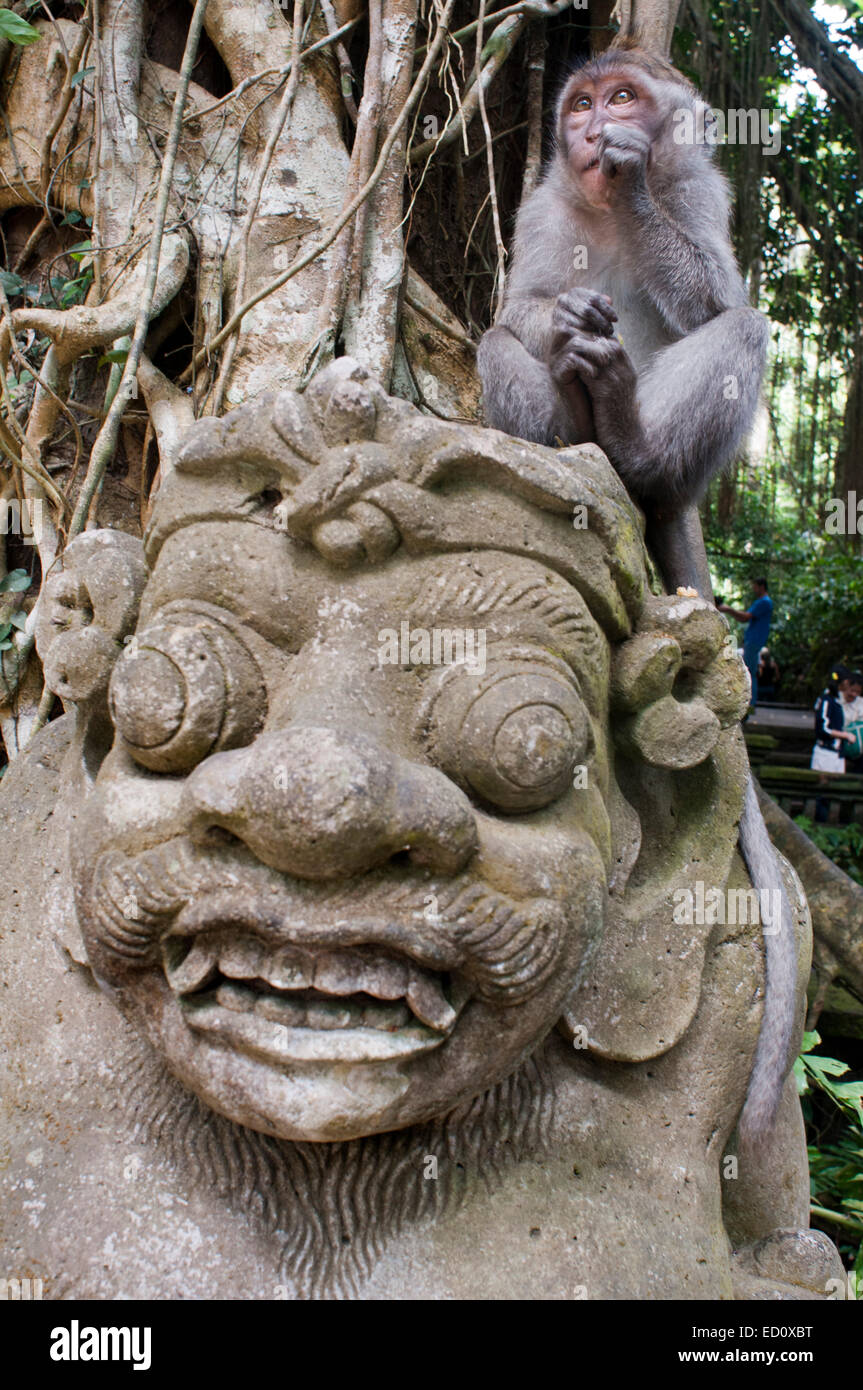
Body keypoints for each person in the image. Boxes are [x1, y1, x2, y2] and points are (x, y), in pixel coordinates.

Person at [811, 665, 856, 820]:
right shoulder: (826, 700)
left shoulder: (837, 701)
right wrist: (844, 735)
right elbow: (822, 728)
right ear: (842, 683)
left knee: (834, 793)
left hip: (837, 754)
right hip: (825, 753)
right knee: (822, 793)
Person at [719, 578, 773, 706]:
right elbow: (744, 619)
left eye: (754, 586)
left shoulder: (764, 602)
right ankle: (749, 703)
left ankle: (750, 704)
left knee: (749, 672)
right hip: (753, 640)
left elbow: (746, 617)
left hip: (755, 640)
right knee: (749, 670)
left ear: (761, 587)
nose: (753, 589)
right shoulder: (762, 602)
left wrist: (728, 609)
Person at [840, 669, 863, 773]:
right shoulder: (835, 699)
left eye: (857, 692)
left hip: (856, 745)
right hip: (838, 740)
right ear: (846, 686)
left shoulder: (860, 703)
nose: (854, 694)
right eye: (852, 690)